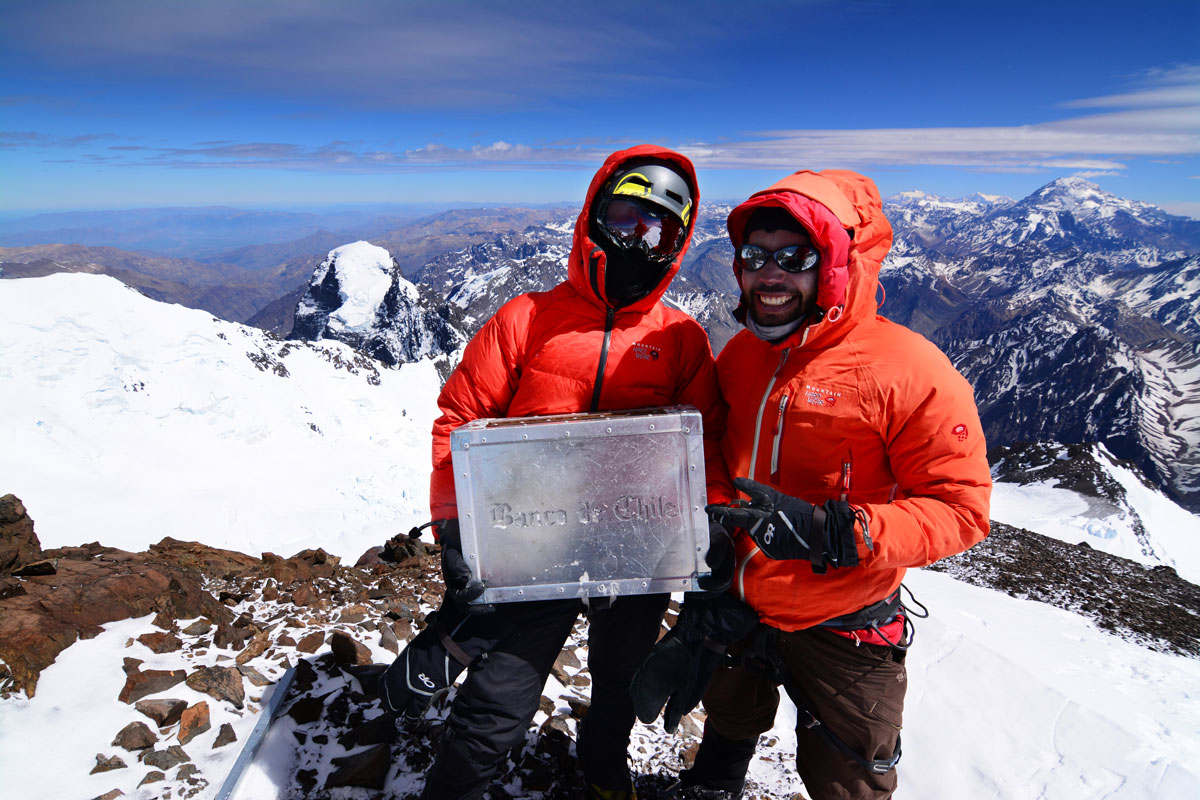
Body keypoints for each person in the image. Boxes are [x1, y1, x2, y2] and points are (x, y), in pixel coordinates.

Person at [380, 144, 733, 800]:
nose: (637, 239)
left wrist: (707, 525)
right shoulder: (527, 319)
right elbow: (462, 420)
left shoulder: (682, 339)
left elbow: (704, 445)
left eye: (657, 230)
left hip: (634, 548)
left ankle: (602, 772)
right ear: (595, 213)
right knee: (499, 697)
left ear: (677, 245)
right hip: (530, 538)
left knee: (623, 681)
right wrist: (455, 526)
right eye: (626, 216)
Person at [632, 169, 992, 800]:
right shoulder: (742, 356)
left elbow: (962, 511)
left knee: (848, 777)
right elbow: (716, 453)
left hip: (844, 618)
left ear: (835, 265)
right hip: (738, 602)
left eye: (796, 257)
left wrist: (841, 533)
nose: (770, 274)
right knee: (729, 721)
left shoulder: (910, 370)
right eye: (754, 256)